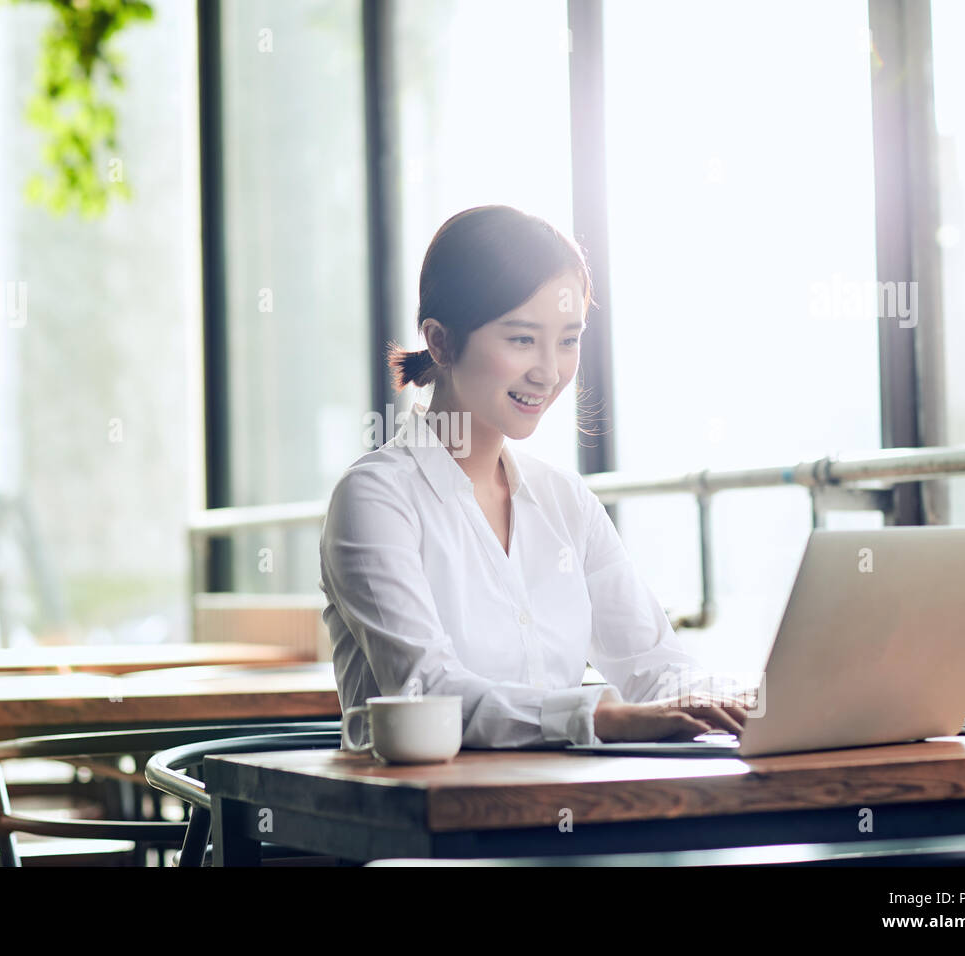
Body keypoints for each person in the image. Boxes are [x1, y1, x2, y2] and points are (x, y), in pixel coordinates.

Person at [319, 204, 750, 749]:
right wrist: (596, 718)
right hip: (423, 822)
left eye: (568, 340)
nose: (549, 371)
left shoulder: (564, 500)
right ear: (441, 342)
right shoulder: (376, 499)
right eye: (522, 339)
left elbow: (654, 666)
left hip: (559, 810)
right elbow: (426, 692)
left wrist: (738, 701)